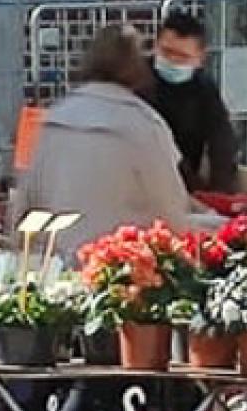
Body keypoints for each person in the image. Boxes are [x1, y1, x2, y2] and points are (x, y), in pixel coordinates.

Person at [13, 24, 218, 255]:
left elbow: (24, 203)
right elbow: (171, 212)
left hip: (54, 260)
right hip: (116, 263)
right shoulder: (145, 124)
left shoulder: (53, 120)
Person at [150, 8, 239, 195]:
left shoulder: (204, 89)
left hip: (186, 182)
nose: (173, 61)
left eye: (183, 57)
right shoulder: (137, 79)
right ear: (155, 46)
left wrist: (220, 192)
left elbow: (221, 140)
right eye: (167, 52)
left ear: (200, 58)